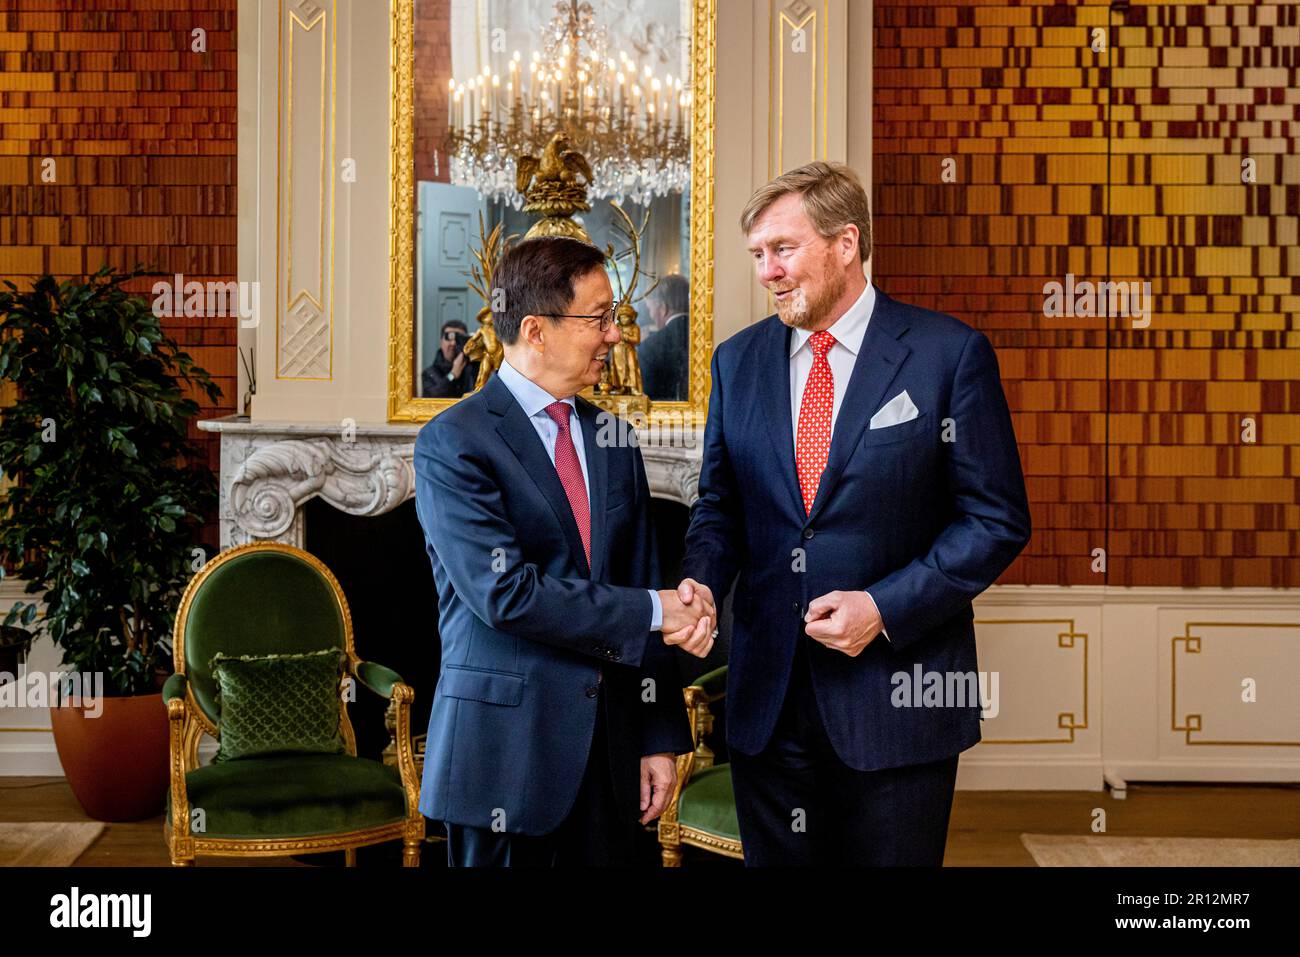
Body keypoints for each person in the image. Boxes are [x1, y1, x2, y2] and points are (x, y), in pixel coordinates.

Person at [678, 161, 1031, 866]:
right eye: (757, 255)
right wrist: (703, 582)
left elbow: (996, 519)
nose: (767, 271)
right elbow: (719, 505)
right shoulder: (736, 362)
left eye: (783, 249)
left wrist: (883, 604)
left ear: (846, 243)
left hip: (897, 700)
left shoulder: (948, 354)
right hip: (766, 704)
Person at [413, 235, 716, 867]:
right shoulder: (453, 443)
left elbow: (640, 582)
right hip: (501, 761)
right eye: (599, 317)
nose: (616, 335)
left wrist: (656, 738)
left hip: (608, 762)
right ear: (535, 330)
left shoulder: (614, 438)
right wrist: (660, 611)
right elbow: (506, 594)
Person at [639, 273, 690, 401]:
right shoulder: (704, 339)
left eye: (650, 308)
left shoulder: (649, 347)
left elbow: (646, 401)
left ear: (662, 307)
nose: (651, 315)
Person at [421, 319, 479, 398]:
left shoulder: (473, 368)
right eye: (448, 338)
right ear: (441, 342)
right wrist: (452, 375)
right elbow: (432, 398)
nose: (453, 343)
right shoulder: (429, 373)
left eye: (458, 339)